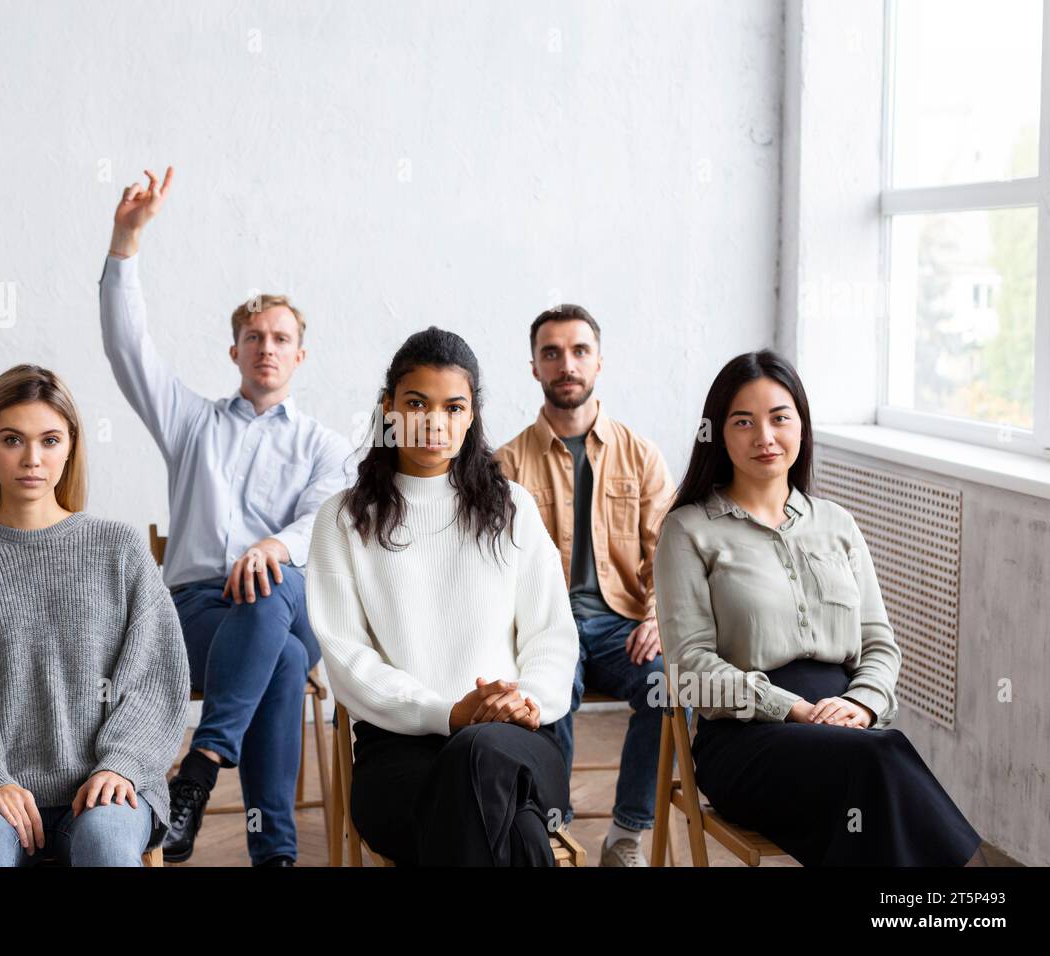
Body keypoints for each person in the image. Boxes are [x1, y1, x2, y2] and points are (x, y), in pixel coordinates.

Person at [99, 166, 355, 866]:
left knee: (275, 586)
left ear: (299, 355)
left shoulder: (328, 447)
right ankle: (274, 854)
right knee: (286, 659)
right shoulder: (192, 424)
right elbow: (129, 351)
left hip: (288, 597)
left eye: (279, 337)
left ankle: (200, 768)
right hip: (200, 614)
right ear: (234, 350)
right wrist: (127, 239)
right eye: (253, 336)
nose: (266, 347)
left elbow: (323, 529)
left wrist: (270, 545)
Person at [653, 349, 985, 866]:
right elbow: (690, 669)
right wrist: (796, 710)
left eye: (780, 418)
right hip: (749, 738)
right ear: (717, 433)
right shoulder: (689, 530)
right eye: (744, 422)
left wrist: (864, 705)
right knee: (881, 762)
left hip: (847, 727)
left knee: (874, 781)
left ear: (802, 427)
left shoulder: (837, 523)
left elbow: (879, 644)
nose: (765, 436)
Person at [0, 365, 191, 867]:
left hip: (107, 783)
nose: (32, 459)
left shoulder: (118, 549)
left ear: (71, 444)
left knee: (107, 844)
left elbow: (156, 678)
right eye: (13, 440)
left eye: (49, 440)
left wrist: (122, 764)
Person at [306, 326, 579, 866]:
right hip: (399, 753)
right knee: (520, 837)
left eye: (453, 407)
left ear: (472, 414)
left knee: (481, 754)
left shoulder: (512, 508)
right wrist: (447, 713)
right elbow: (347, 661)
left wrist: (521, 701)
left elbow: (551, 635)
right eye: (415, 403)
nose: (435, 422)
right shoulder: (343, 519)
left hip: (515, 739)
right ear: (387, 408)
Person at [494, 305, 676, 867]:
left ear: (599, 361)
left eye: (578, 351)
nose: (566, 364)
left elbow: (668, 554)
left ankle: (626, 834)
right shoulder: (505, 464)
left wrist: (658, 618)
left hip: (625, 625)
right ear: (534, 367)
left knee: (669, 688)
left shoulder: (640, 455)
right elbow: (498, 569)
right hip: (549, 625)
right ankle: (553, 832)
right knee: (548, 694)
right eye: (551, 353)